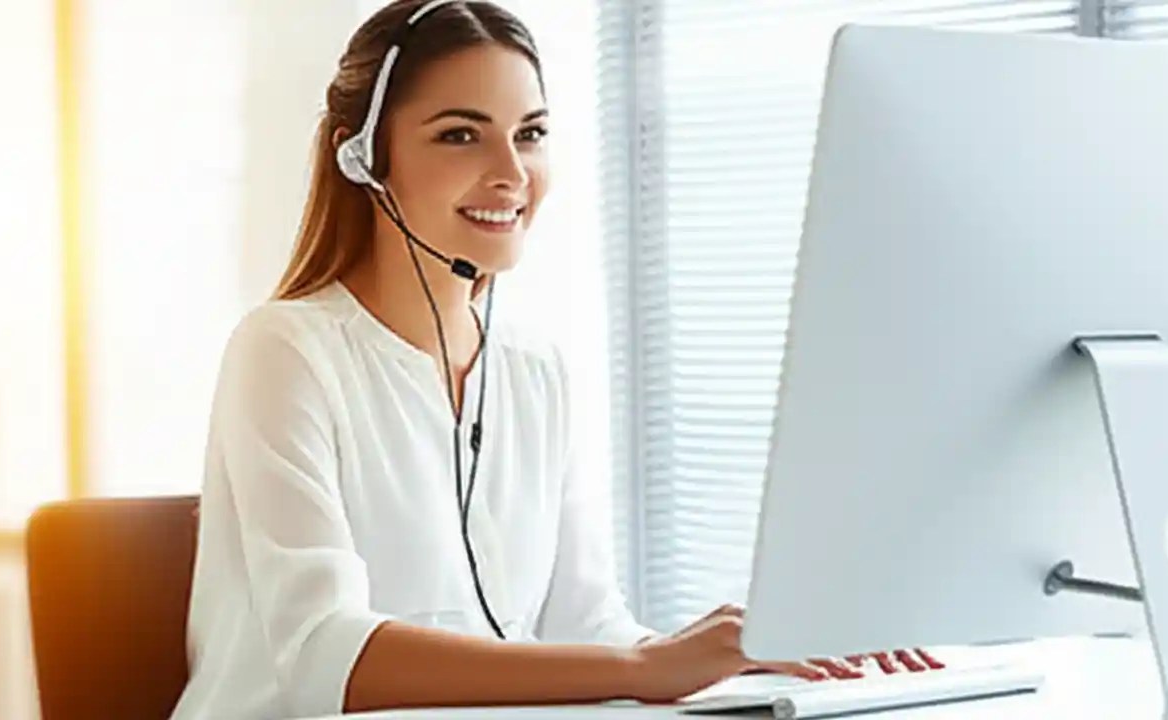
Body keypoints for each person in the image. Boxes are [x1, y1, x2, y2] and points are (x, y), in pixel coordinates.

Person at [172, 2, 938, 718]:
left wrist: (759, 651)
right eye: (460, 134)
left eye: (531, 133)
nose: (511, 172)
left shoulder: (535, 371)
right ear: (366, 157)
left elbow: (589, 621)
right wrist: (645, 670)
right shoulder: (284, 351)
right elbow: (323, 657)